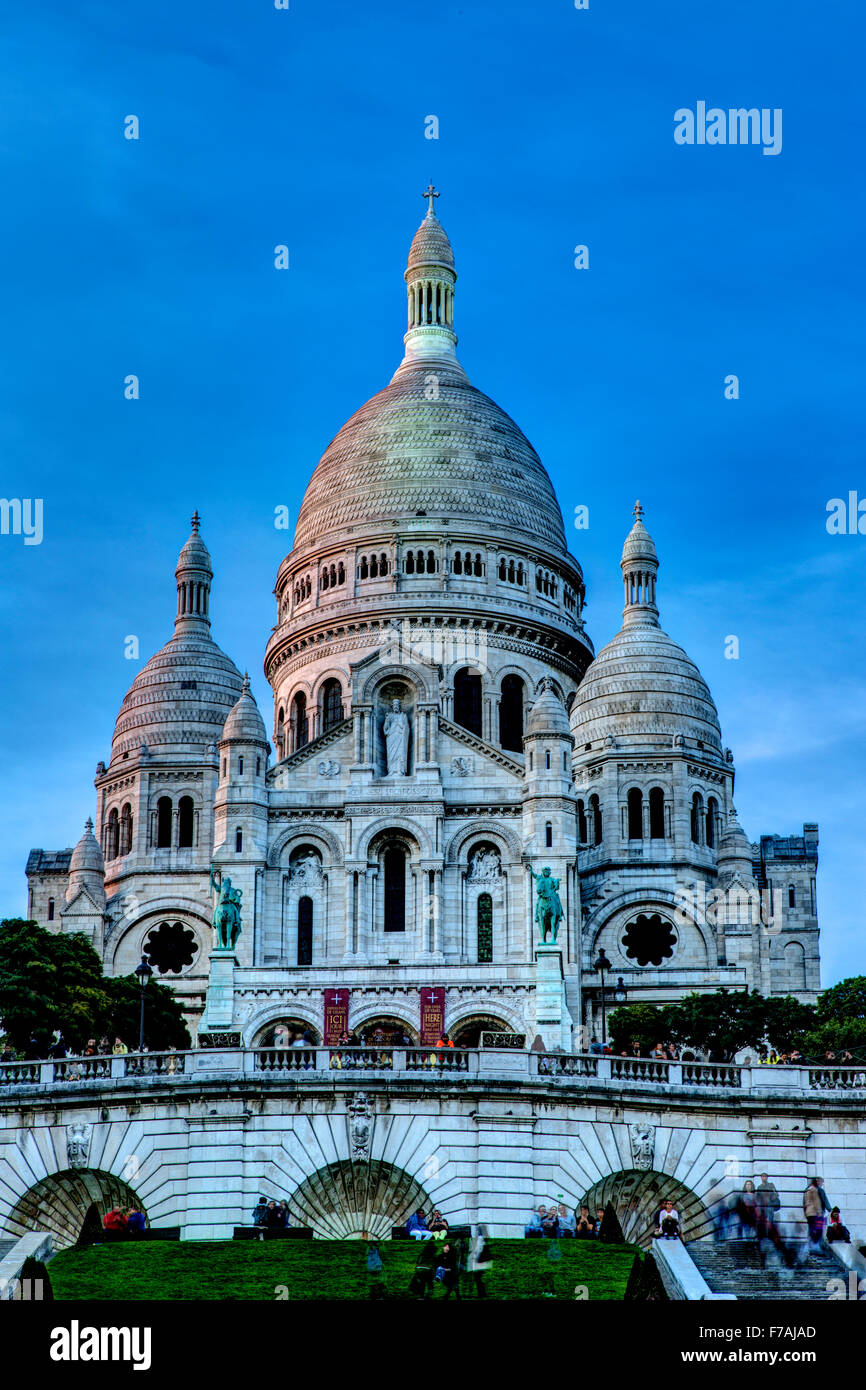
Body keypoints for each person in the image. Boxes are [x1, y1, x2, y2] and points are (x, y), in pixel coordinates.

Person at [803, 1178, 829, 1247]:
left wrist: (805, 1213)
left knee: (811, 1230)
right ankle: (816, 1247)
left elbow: (804, 1203)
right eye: (821, 1182)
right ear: (817, 1182)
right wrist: (820, 1212)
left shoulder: (807, 1190)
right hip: (815, 1213)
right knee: (819, 1230)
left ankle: (809, 1246)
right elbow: (817, 1202)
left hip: (809, 1213)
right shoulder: (815, 1190)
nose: (821, 1184)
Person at [468, 1224, 492, 1296]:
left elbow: (476, 1251)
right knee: (478, 1279)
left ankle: (482, 1293)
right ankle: (481, 1293)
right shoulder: (484, 1240)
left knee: (478, 1278)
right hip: (480, 1262)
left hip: (480, 1262)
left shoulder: (480, 1240)